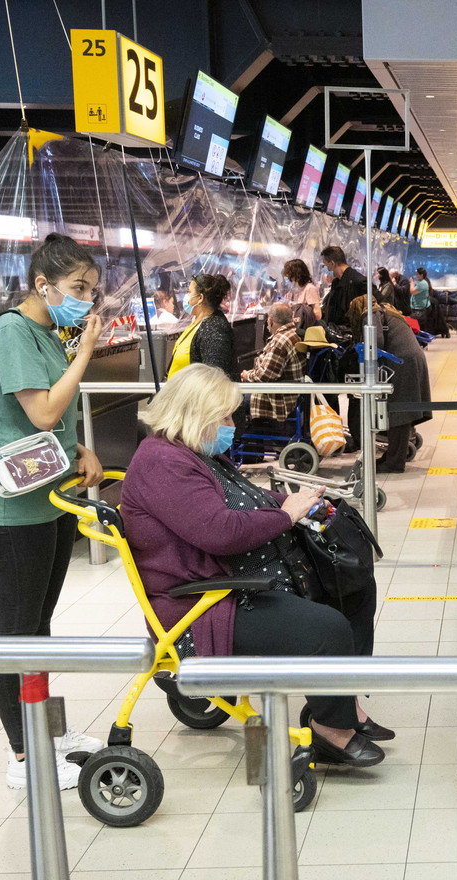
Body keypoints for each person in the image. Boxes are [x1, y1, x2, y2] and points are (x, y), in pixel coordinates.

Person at [121, 364, 388, 766]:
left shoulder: (191, 452)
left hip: (240, 581)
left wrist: (294, 503)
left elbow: (244, 497)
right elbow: (220, 531)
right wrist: (286, 515)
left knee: (353, 587)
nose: (232, 426)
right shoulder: (163, 464)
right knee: (328, 628)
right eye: (225, 418)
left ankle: (341, 702)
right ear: (196, 415)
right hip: (206, 604)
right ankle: (331, 731)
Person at [0, 233, 107, 789]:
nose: (86, 300)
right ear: (42, 284)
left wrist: (82, 449)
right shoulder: (12, 330)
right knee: (16, 629)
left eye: (91, 290)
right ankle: (24, 756)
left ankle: (47, 731)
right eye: (79, 288)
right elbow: (44, 412)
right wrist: (85, 354)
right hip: (13, 507)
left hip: (49, 496)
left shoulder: (46, 332)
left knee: (38, 625)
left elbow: (50, 422)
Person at [347, 295, 432, 473]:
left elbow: (376, 342)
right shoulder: (385, 310)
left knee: (398, 412)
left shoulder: (371, 314)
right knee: (400, 411)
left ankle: (395, 462)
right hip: (410, 359)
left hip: (402, 362)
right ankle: (393, 456)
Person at [240, 302, 303, 425]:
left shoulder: (280, 342)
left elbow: (265, 377)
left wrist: (247, 376)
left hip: (276, 402)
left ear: (270, 321)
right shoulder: (292, 334)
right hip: (289, 396)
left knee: (229, 400)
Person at [168, 273, 237, 381]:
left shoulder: (215, 329)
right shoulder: (196, 323)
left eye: (189, 292)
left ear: (200, 298)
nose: (186, 296)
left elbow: (215, 377)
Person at [321, 246, 367, 325]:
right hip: (335, 330)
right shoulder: (336, 283)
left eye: (326, 265)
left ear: (332, 263)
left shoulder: (358, 282)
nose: (326, 269)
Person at [283, 259, 323, 324]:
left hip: (306, 326)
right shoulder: (297, 289)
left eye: (290, 274)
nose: (288, 277)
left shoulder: (310, 289)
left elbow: (317, 314)